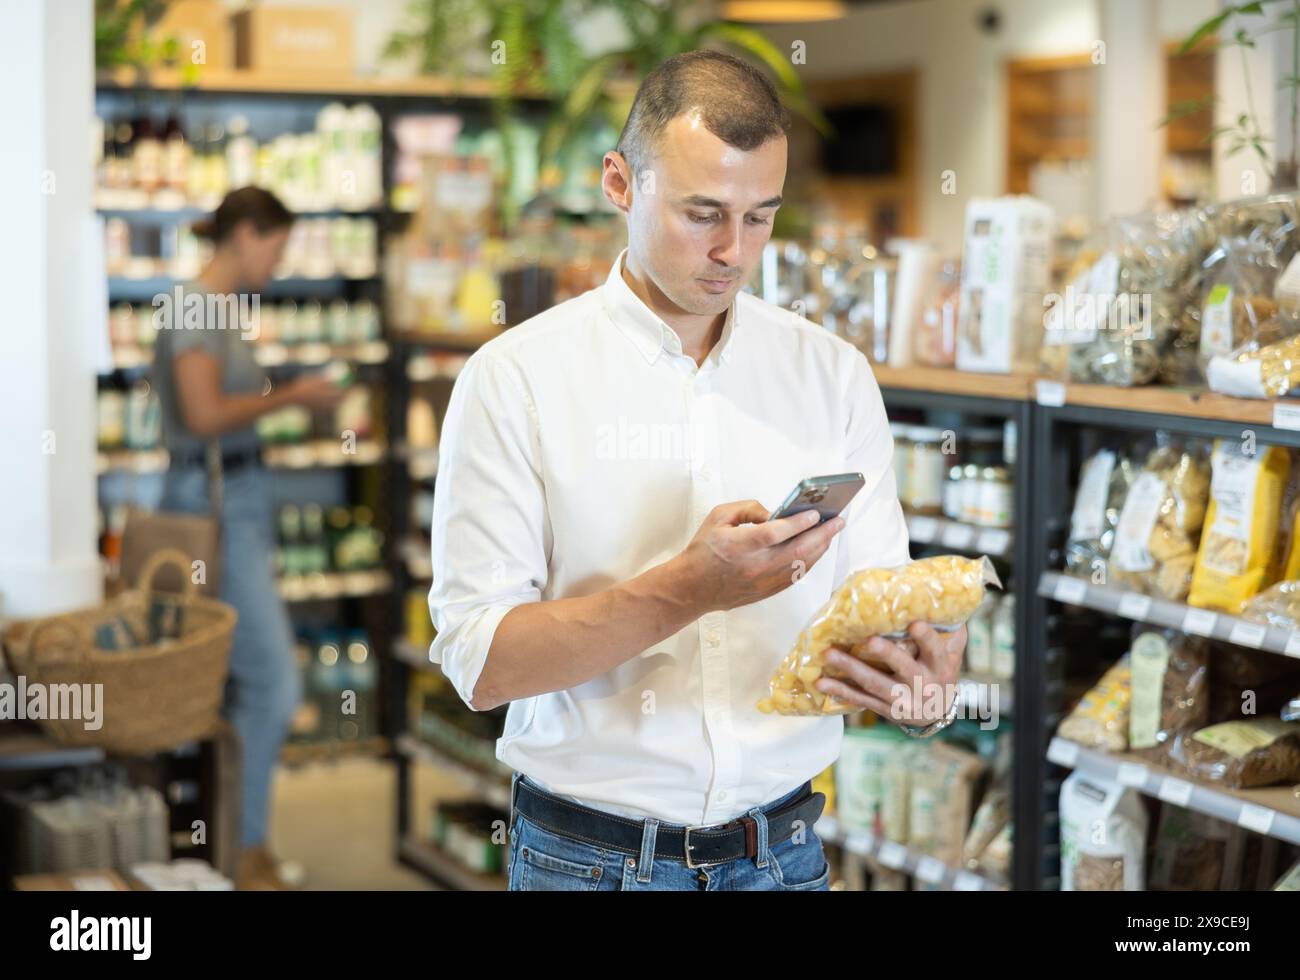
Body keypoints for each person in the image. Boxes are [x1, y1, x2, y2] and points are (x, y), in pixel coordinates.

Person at [428, 51, 967, 892]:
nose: (732, 251)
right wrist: (690, 588)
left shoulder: (832, 374)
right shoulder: (515, 380)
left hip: (783, 854)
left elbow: (877, 609)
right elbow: (483, 663)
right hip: (590, 862)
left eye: (760, 217)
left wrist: (921, 686)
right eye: (702, 212)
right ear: (619, 181)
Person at [152, 187, 344, 890]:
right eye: (277, 243)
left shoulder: (217, 310)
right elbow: (203, 415)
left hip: (238, 499)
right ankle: (246, 850)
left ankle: (224, 845)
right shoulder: (195, 306)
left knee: (234, 681)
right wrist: (293, 396)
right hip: (217, 506)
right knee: (273, 679)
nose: (280, 260)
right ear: (245, 234)